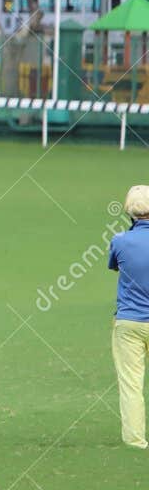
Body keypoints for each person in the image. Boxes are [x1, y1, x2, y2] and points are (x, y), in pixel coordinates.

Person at [108, 184, 149, 449]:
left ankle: (135, 440)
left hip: (129, 322)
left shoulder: (120, 241)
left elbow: (115, 266)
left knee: (131, 384)